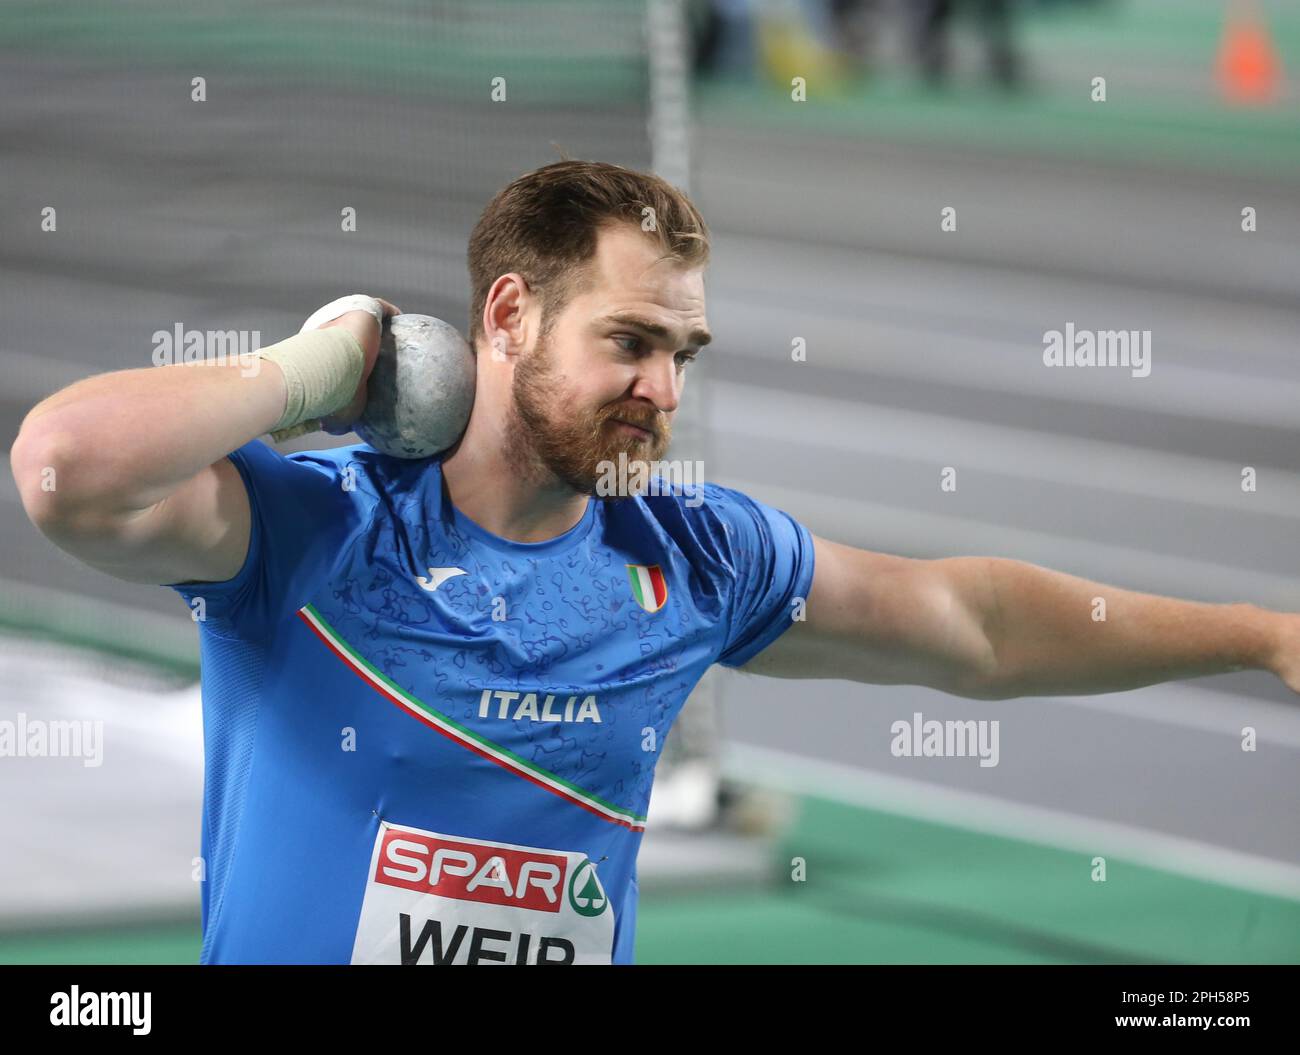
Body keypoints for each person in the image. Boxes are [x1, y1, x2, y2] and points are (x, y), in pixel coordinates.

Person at [10, 160, 1298, 964]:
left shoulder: (692, 556)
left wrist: (1257, 632)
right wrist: (319, 369)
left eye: (685, 353)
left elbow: (977, 626)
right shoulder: (322, 532)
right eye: (632, 341)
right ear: (507, 317)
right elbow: (64, 469)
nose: (662, 390)